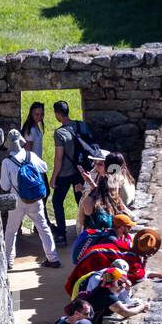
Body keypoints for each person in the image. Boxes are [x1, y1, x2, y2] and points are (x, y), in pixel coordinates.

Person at [0, 128, 60, 270]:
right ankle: (53, 258)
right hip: (35, 199)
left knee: (11, 231)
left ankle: (9, 261)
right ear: (21, 141)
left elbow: (4, 185)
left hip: (17, 201)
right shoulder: (30, 155)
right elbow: (44, 167)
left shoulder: (6, 162)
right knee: (43, 228)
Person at [49, 100, 101, 248]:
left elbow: (59, 158)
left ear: (58, 114)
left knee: (57, 201)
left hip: (65, 173)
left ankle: (61, 235)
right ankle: (86, 233)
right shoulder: (81, 125)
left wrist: (53, 178)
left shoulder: (60, 133)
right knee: (82, 201)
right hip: (81, 171)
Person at [77, 152, 136, 231]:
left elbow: (81, 221)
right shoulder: (123, 176)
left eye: (101, 164)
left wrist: (90, 183)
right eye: (95, 163)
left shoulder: (115, 180)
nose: (96, 166)